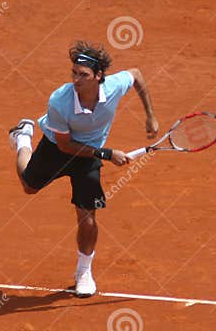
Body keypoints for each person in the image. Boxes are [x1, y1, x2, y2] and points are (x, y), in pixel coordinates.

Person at [9, 41, 158, 297]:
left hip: (88, 158)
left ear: (99, 76)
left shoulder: (113, 87)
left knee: (87, 216)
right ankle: (22, 138)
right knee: (28, 186)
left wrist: (150, 115)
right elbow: (66, 145)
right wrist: (107, 154)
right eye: (74, 73)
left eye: (84, 75)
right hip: (57, 147)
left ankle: (83, 271)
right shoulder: (59, 100)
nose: (77, 79)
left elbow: (135, 74)